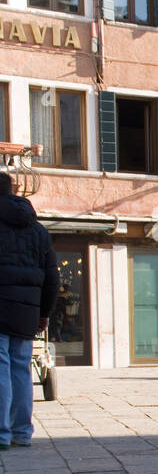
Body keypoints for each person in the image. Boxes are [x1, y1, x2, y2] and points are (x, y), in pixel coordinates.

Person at [0, 172, 58, 451]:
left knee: (1, 367)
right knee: (21, 368)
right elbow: (52, 278)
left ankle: (1, 434)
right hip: (26, 310)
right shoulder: (38, 230)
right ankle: (22, 432)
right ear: (13, 190)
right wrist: (44, 313)